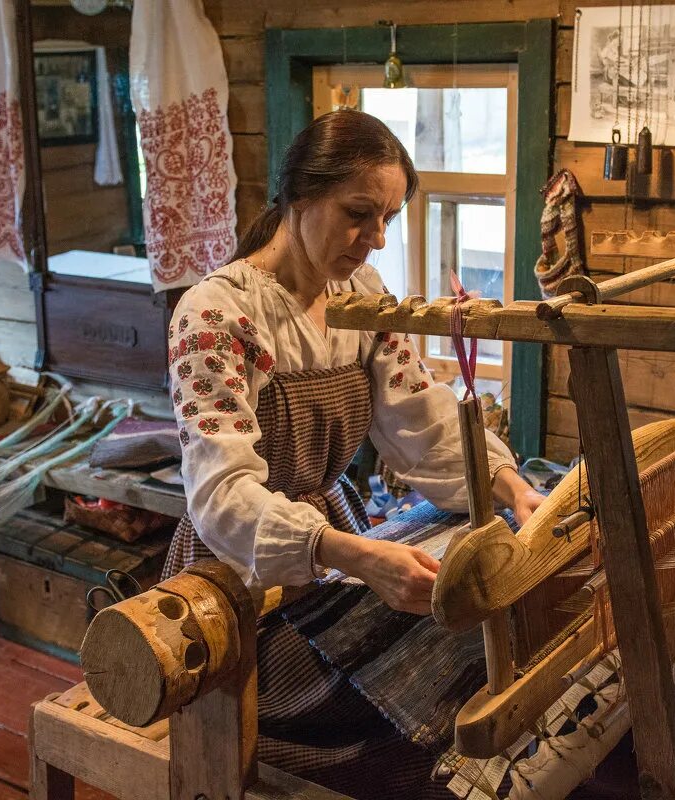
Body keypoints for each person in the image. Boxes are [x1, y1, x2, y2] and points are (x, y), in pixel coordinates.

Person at [164, 108, 544, 799]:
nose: (373, 240)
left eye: (387, 220)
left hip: (337, 549)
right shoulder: (215, 317)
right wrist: (353, 555)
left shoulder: (360, 300)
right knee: (399, 705)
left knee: (472, 625)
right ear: (299, 196)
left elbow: (421, 417)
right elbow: (222, 498)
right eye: (358, 214)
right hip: (241, 584)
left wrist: (508, 485)